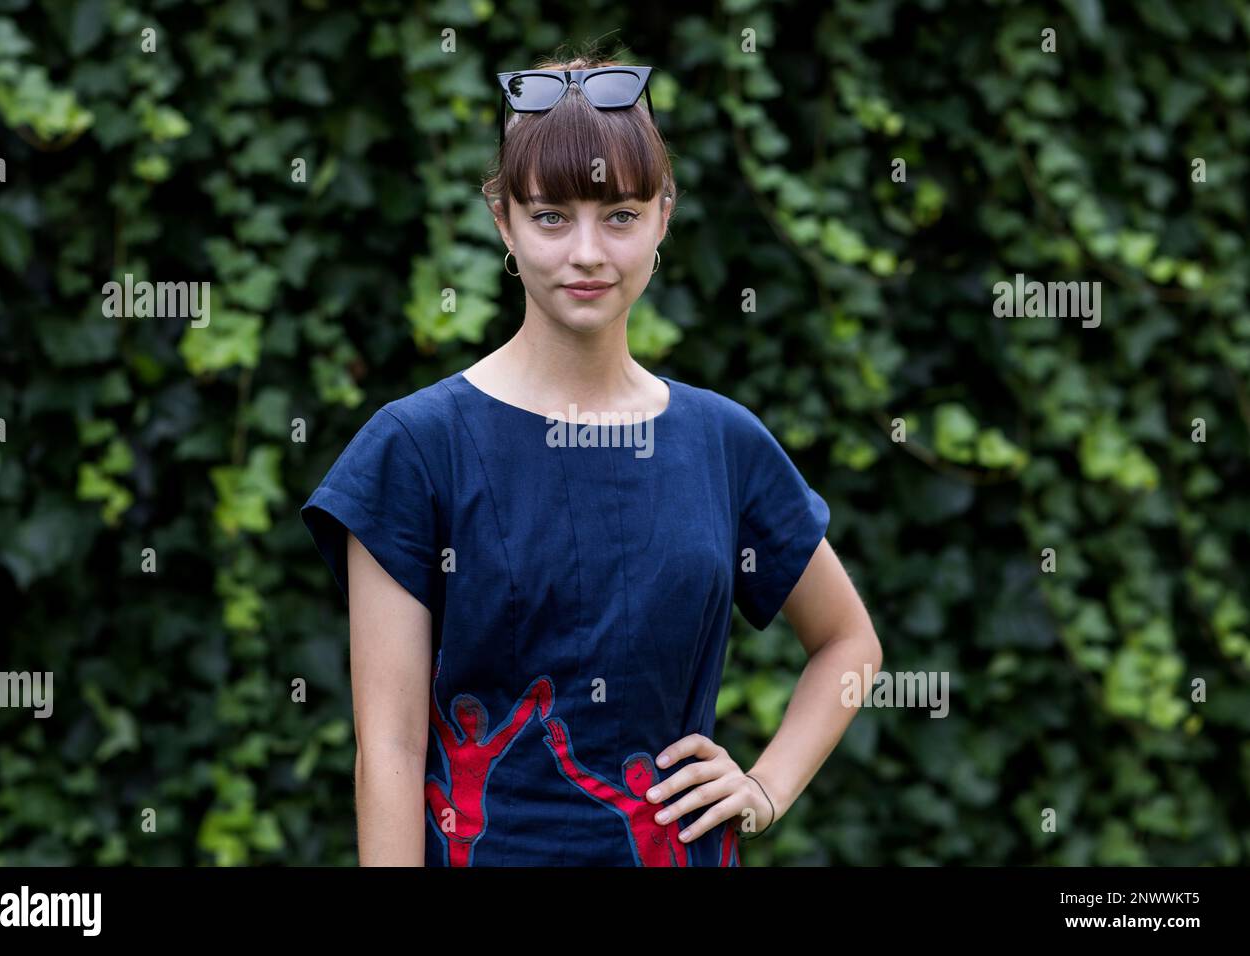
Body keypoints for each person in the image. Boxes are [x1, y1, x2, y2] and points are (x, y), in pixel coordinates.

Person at [301, 54, 882, 866]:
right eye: (550, 216)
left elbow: (849, 644)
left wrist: (763, 788)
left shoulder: (723, 443)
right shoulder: (414, 450)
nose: (587, 252)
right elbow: (390, 754)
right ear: (503, 220)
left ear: (663, 218)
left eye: (619, 214)